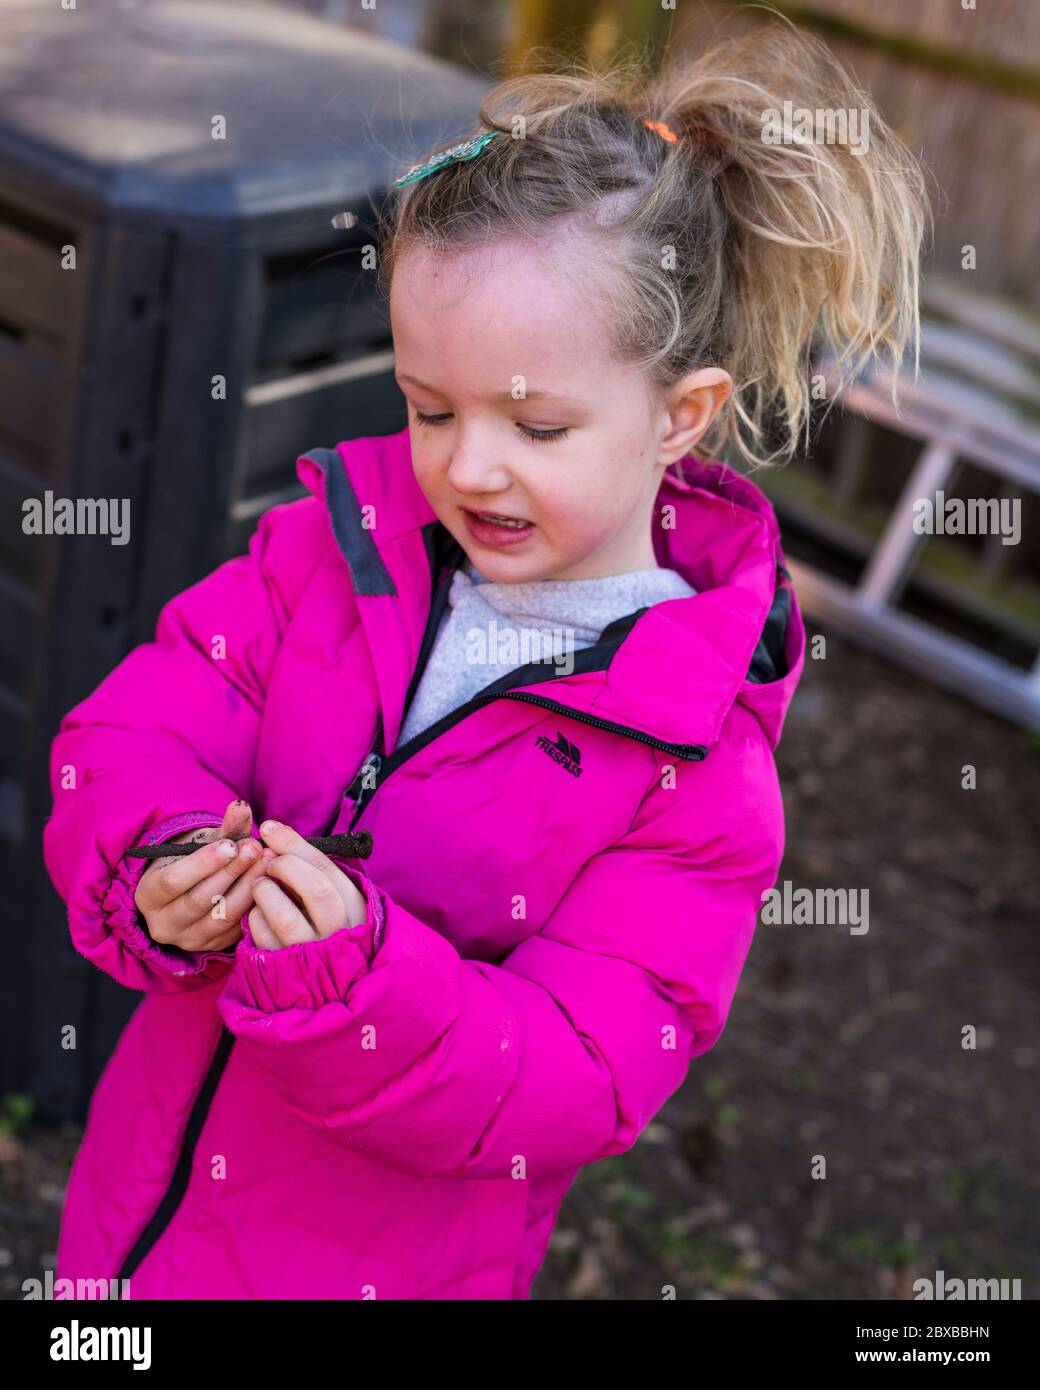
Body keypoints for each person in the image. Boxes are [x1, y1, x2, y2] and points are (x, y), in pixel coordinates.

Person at [42, 22, 928, 1299]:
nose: (465, 465)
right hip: (136, 1238)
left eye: (535, 421)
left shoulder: (692, 771)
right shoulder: (321, 562)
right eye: (428, 406)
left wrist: (354, 979)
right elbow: (127, 738)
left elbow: (578, 1074)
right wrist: (158, 854)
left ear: (679, 414)